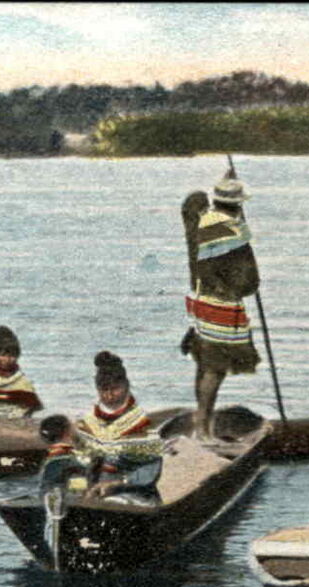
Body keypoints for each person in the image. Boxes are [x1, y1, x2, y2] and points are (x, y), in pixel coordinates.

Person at [181, 169, 260, 442]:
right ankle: (202, 426)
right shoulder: (229, 229)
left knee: (205, 364)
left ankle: (201, 421)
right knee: (216, 368)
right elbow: (246, 273)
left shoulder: (204, 221)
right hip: (222, 306)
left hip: (202, 301)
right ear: (237, 204)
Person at [73, 351, 163, 505]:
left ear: (126, 386)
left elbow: (152, 467)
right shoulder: (89, 422)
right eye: (104, 390)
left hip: (134, 494)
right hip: (95, 493)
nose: (109, 395)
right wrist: (80, 488)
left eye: (115, 389)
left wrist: (117, 484)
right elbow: (82, 465)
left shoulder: (142, 421)